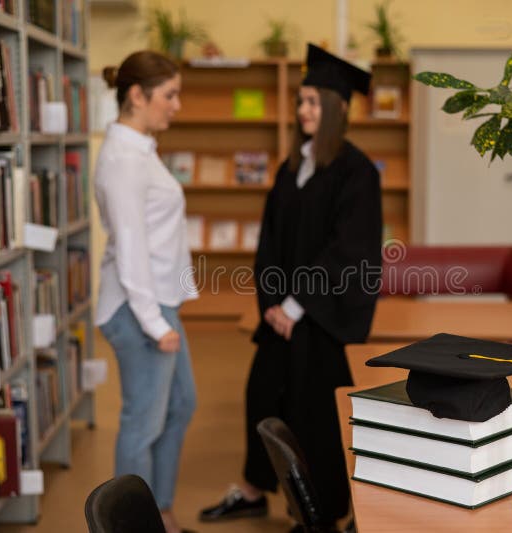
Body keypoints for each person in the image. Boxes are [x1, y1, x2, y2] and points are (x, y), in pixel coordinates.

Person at [199, 43, 383, 527]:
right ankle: (254, 489)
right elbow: (271, 244)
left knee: (316, 416)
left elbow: (347, 250)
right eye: (300, 101)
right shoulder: (291, 166)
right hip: (281, 314)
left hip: (321, 319)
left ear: (337, 108)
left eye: (313, 102)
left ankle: (319, 514)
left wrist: (296, 306)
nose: (304, 110)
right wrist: (271, 305)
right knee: (262, 394)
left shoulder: (356, 172)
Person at [95, 51, 197, 533]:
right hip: (140, 310)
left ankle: (162, 511)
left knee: (180, 405)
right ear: (137, 96)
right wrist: (156, 324)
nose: (177, 105)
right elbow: (132, 247)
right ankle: (134, 528)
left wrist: (169, 308)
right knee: (142, 423)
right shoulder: (121, 159)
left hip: (160, 303)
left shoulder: (140, 147)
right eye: (169, 95)